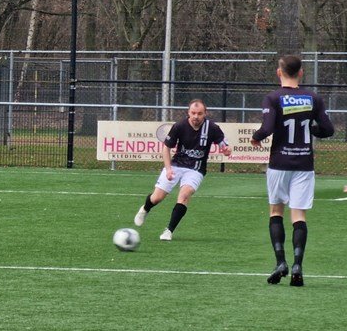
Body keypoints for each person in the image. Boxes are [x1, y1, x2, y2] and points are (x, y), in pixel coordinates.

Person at [251, 54, 335, 286]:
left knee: (276, 212)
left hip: (279, 163)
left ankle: (281, 262)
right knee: (298, 215)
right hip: (304, 164)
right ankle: (298, 264)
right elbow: (328, 130)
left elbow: (267, 128)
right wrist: (312, 130)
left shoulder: (273, 97)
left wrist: (256, 137)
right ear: (301, 73)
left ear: (279, 73)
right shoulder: (313, 98)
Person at [133, 99, 231, 240]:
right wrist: (168, 169)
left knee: (184, 195)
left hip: (196, 169)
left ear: (205, 113)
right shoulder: (179, 126)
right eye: (193, 113)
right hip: (176, 165)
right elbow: (166, 148)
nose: (196, 116)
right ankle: (145, 209)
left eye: (199, 113)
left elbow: (225, 145)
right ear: (188, 112)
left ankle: (169, 231)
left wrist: (227, 150)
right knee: (157, 197)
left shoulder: (213, 128)